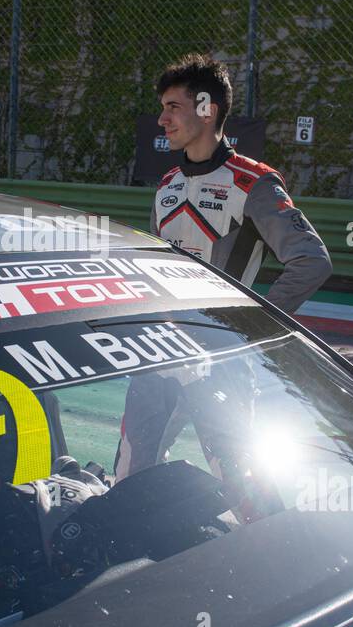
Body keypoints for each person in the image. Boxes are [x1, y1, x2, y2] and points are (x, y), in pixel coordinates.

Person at [112, 55, 332, 481]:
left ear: (206, 109)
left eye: (172, 107)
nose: (161, 119)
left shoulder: (254, 182)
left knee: (241, 482)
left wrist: (253, 328)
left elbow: (311, 261)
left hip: (223, 360)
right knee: (128, 475)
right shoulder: (167, 184)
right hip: (160, 354)